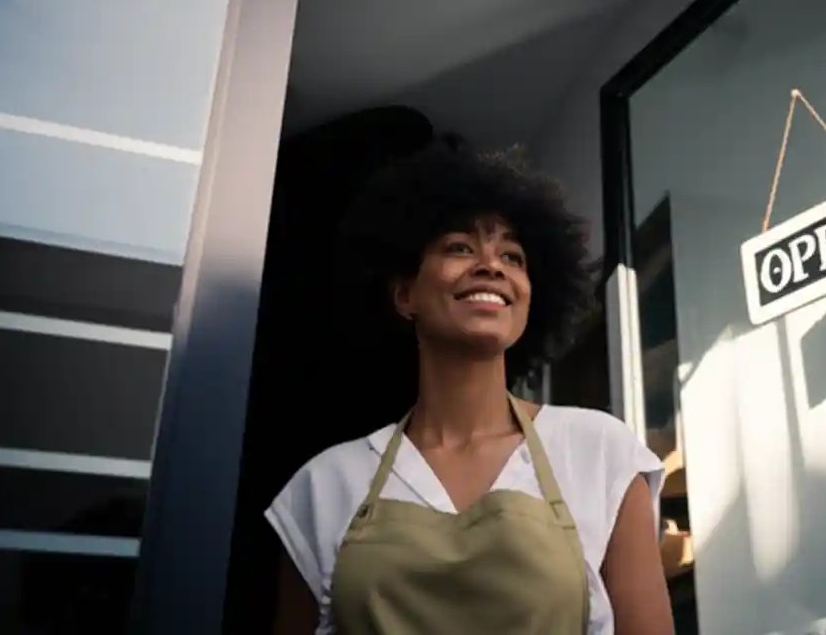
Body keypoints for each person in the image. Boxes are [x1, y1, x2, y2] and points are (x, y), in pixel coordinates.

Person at [267, 141, 674, 634]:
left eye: (513, 256)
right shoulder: (325, 484)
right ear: (404, 294)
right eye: (460, 247)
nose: (491, 265)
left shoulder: (598, 451)